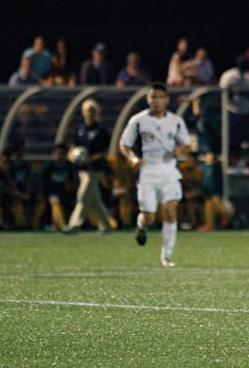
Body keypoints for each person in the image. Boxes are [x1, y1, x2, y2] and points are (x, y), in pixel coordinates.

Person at [119, 83, 191, 267]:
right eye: (153, 97)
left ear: (166, 99)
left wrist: (180, 149)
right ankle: (141, 225)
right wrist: (133, 158)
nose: (157, 101)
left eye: (160, 97)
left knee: (169, 211)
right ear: (148, 99)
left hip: (169, 171)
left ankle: (166, 256)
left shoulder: (175, 121)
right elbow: (124, 145)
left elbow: (188, 145)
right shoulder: (138, 120)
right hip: (148, 172)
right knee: (150, 217)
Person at [63, 99, 114, 234]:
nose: (89, 113)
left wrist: (90, 159)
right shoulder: (79, 129)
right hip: (82, 169)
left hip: (95, 169)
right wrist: (71, 155)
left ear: (96, 112)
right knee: (95, 200)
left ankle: (74, 225)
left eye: (92, 111)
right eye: (87, 110)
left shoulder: (101, 130)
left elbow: (105, 152)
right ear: (83, 112)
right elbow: (74, 146)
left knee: (82, 196)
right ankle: (106, 226)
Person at [219, 56, 249, 165]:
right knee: (230, 139)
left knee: (241, 139)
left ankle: (238, 160)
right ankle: (229, 161)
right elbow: (222, 92)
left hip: (244, 111)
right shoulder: (229, 76)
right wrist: (232, 94)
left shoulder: (248, 77)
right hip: (231, 110)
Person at [0, 149, 26, 230]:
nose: (5, 163)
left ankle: (20, 224)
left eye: (7, 161)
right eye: (3, 160)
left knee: (16, 199)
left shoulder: (10, 169)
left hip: (5, 192)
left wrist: (7, 174)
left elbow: (12, 186)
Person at [41, 143, 76, 231]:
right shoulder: (48, 166)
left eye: (62, 153)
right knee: (55, 201)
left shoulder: (69, 166)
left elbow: (72, 182)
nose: (59, 156)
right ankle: (62, 225)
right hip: (51, 193)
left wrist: (70, 189)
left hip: (66, 193)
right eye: (58, 153)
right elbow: (43, 183)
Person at [195, 151, 232, 232]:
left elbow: (218, 181)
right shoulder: (203, 167)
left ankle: (225, 213)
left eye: (209, 155)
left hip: (214, 192)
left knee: (216, 203)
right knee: (208, 208)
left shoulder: (216, 167)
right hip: (207, 192)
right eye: (206, 155)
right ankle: (209, 225)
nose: (207, 157)